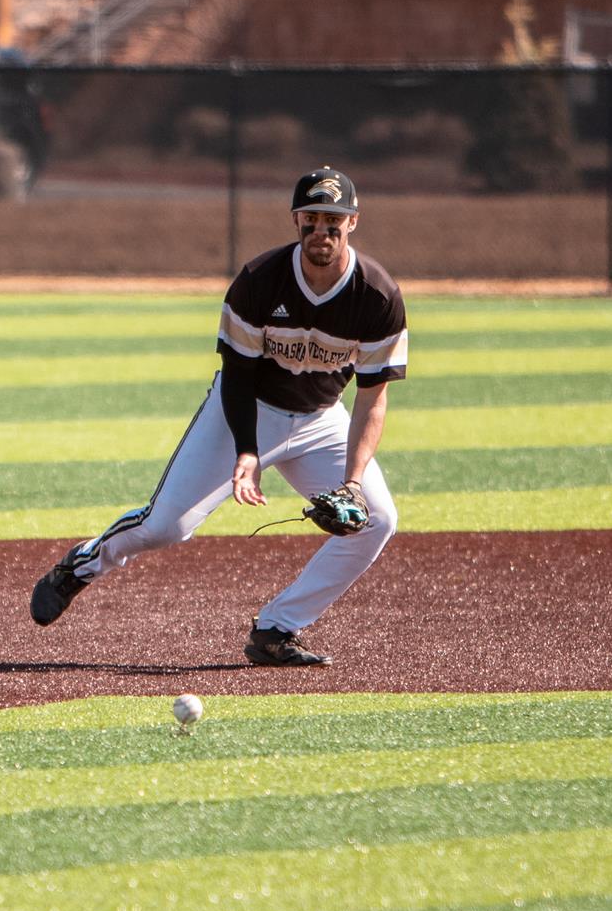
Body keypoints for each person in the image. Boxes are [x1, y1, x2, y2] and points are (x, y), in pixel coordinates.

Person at [28, 165, 407, 667]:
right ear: (296, 220)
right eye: (312, 218)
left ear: (352, 222)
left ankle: (277, 627)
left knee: (376, 520)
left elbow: (372, 398)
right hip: (248, 409)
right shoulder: (260, 281)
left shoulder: (377, 296)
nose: (322, 230)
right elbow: (238, 376)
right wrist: (247, 450)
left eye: (333, 220)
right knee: (166, 526)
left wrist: (353, 483)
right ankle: (83, 564)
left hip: (321, 419)